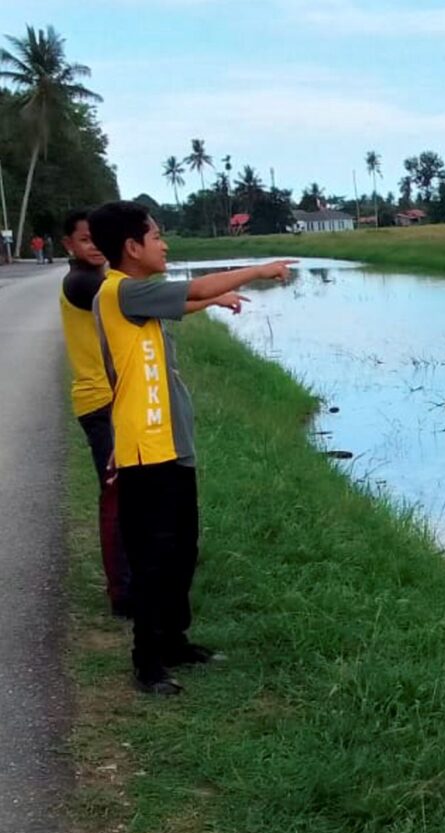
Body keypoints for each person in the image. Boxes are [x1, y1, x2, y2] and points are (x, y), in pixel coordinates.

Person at [88, 200, 294, 694]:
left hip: (172, 446)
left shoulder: (139, 296)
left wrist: (212, 303)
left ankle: (174, 641)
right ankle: (148, 662)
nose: (164, 244)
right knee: (153, 557)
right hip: (145, 450)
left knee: (182, 549)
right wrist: (258, 270)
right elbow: (194, 287)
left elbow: (187, 300)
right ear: (132, 248)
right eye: (156, 237)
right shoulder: (120, 291)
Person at [59, 207, 131, 617]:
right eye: (85, 241)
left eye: (98, 240)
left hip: (114, 400)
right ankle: (121, 593)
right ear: (68, 244)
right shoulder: (81, 282)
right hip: (99, 403)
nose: (95, 248)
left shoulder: (98, 279)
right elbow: (129, 298)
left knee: (128, 495)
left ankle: (132, 579)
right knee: (115, 496)